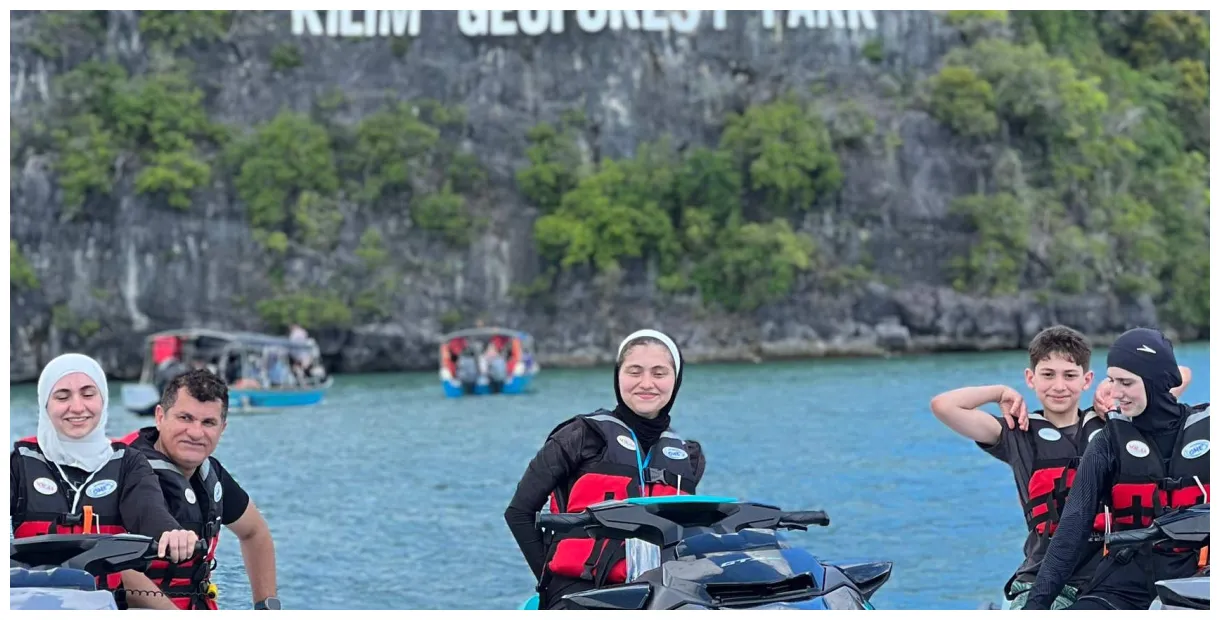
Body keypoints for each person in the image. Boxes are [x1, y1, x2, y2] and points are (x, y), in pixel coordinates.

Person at [504, 329, 707, 609]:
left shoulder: (688, 456)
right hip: (579, 593)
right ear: (618, 375)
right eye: (634, 371)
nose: (646, 383)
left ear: (676, 380)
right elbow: (519, 512)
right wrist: (548, 577)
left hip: (662, 594)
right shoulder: (579, 436)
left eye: (659, 373)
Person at [1023, 327, 1209, 610]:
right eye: (1111, 380)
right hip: (1125, 584)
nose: (1115, 392)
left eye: (1126, 382)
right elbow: (1070, 534)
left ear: (1156, 381)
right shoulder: (1108, 442)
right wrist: (1033, 610)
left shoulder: (1209, 430)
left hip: (1199, 579)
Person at [930, 326, 1112, 609]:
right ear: (1031, 378)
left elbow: (1177, 378)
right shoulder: (1018, 434)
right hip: (1042, 577)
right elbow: (943, 405)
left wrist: (1112, 387)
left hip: (1107, 577)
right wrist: (998, 392)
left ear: (1087, 380)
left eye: (1070, 375)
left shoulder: (1111, 426)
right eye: (1048, 374)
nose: (1059, 386)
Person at [10, 353, 201, 610]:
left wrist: (172, 533)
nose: (77, 407)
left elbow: (149, 512)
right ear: (45, 404)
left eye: (88, 394)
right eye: (62, 397)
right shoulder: (18, 462)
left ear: (104, 400)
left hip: (103, 604)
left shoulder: (129, 463)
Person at [119, 368, 281, 610]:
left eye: (208, 423)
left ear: (222, 429)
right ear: (160, 417)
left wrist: (266, 607)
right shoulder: (120, 467)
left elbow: (255, 532)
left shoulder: (212, 474)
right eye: (185, 418)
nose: (195, 433)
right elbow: (113, 566)